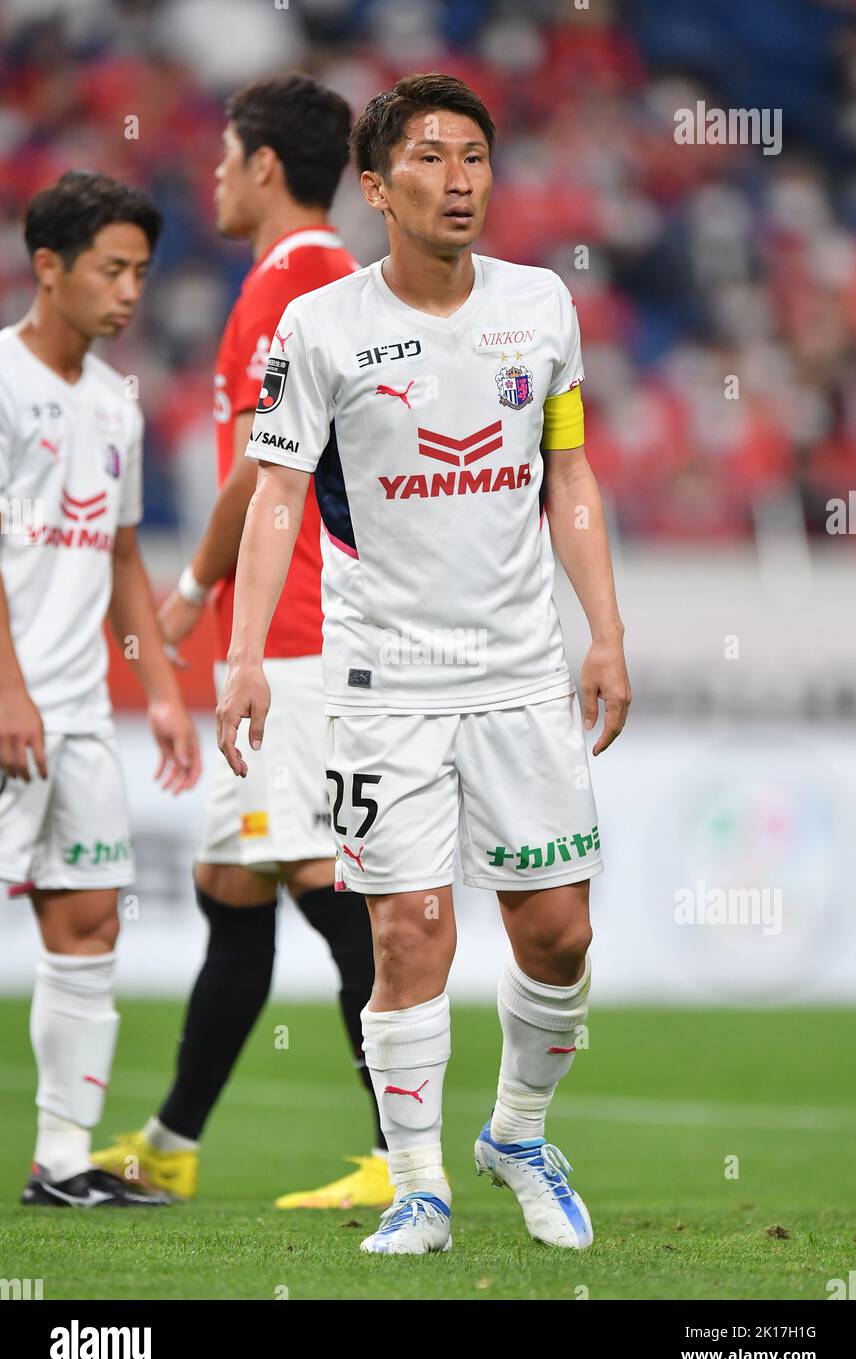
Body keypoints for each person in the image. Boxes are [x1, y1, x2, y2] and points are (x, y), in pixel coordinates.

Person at [216, 72, 631, 1254]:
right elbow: (278, 495)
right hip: (382, 680)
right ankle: (417, 1189)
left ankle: (513, 1132)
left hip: (516, 672)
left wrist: (602, 630)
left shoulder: (539, 305)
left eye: (475, 159)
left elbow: (570, 476)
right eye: (431, 159)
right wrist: (243, 653)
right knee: (408, 934)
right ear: (374, 185)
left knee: (558, 932)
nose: (458, 181)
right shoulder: (321, 325)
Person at [92, 74, 394, 1212]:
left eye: (225, 155)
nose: (212, 174)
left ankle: (398, 1153)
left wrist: (193, 588)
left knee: (324, 879)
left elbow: (257, 468)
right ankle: (170, 1145)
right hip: (270, 634)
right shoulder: (281, 279)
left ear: (265, 165)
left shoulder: (303, 275)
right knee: (233, 883)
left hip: (303, 633)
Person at [0, 170, 201, 1208]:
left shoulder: (116, 402)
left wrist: (161, 690)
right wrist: (6, 686)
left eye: (141, 272)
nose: (130, 291)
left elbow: (122, 558)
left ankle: (63, 1158)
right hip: (9, 699)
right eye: (111, 269)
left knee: (87, 921)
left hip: (77, 706)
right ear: (48, 267)